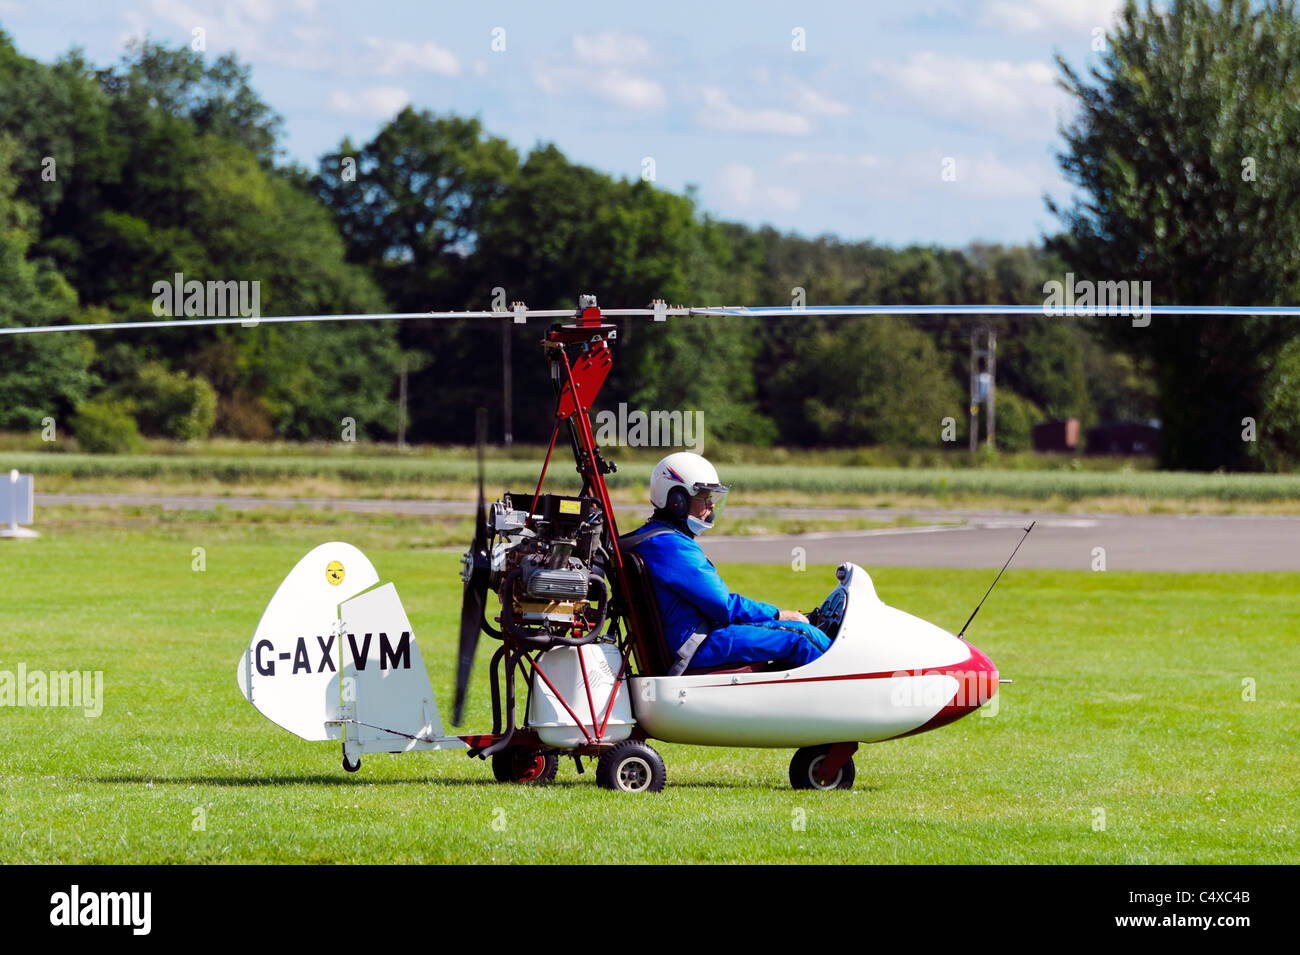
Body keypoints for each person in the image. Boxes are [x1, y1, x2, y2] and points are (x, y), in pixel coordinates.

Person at [621, 451, 831, 675]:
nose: (711, 506)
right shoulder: (671, 547)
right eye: (704, 497)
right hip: (697, 645)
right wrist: (779, 614)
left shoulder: (653, 538)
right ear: (676, 501)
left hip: (693, 638)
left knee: (798, 631)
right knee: (805, 637)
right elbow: (724, 606)